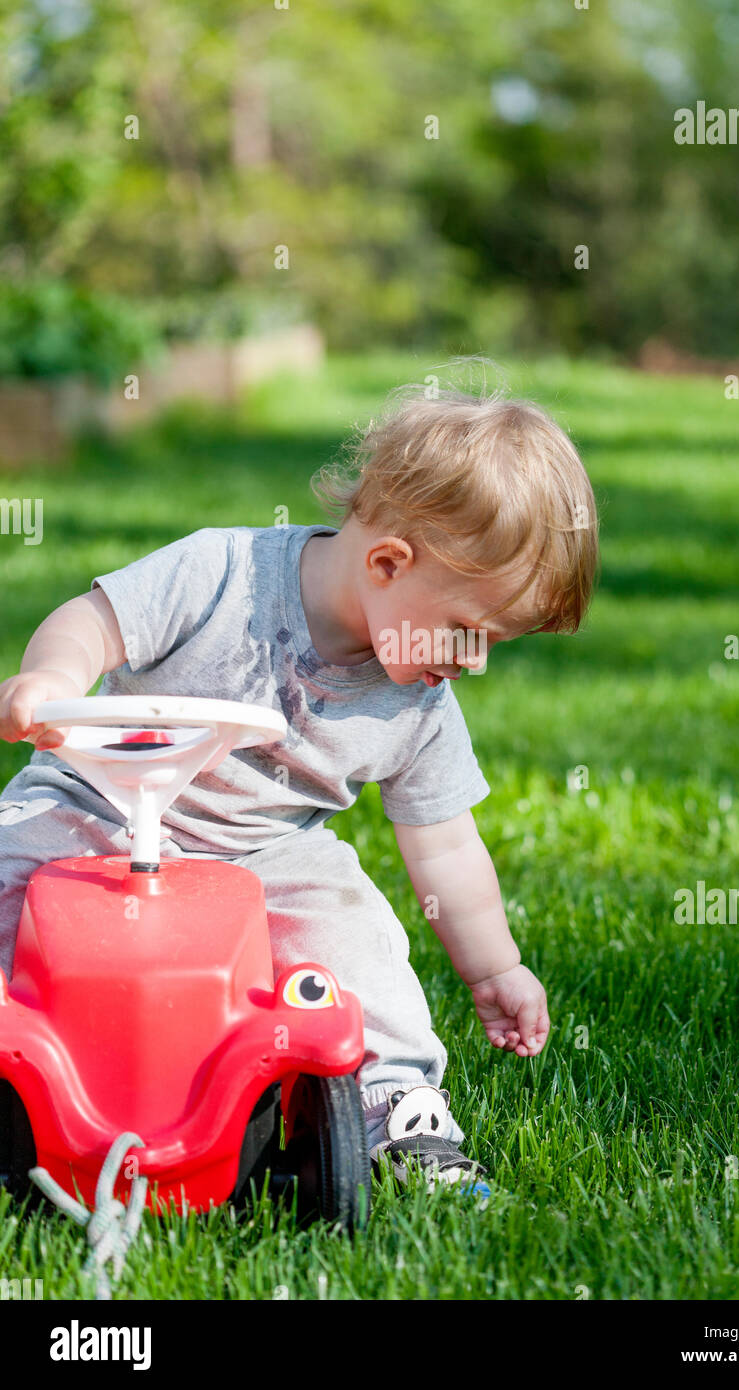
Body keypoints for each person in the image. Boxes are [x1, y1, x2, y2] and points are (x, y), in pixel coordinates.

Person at [0, 376, 598, 1199]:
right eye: (469, 631)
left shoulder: (418, 701)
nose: (473, 661)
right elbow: (93, 621)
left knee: (355, 928)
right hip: (97, 802)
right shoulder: (222, 571)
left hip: (264, 853)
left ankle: (398, 1110)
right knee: (14, 862)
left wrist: (494, 969)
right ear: (389, 562)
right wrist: (48, 680)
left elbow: (448, 845)